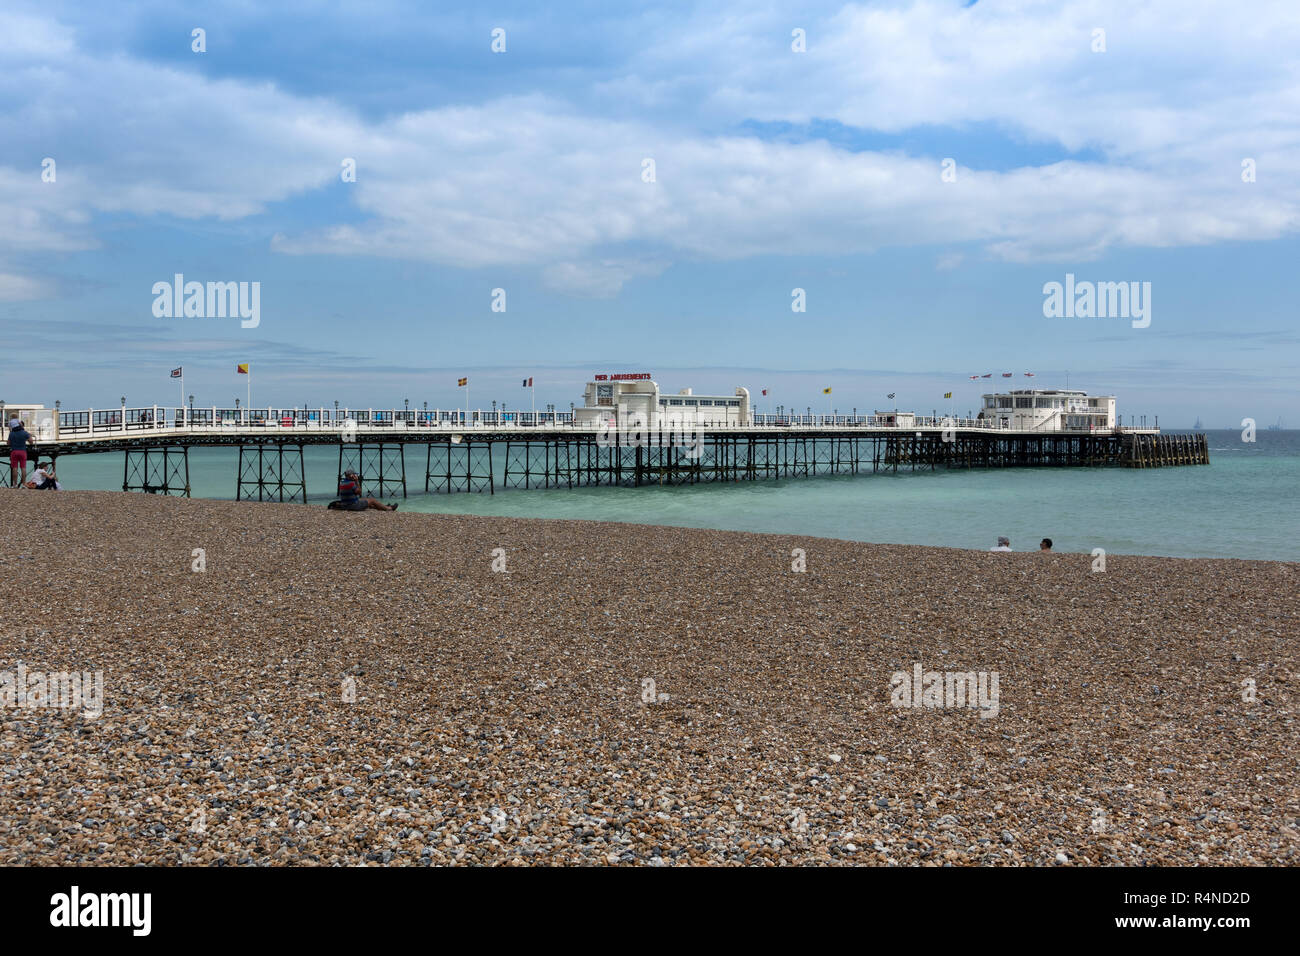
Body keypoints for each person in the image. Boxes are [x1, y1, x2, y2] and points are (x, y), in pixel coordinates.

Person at [8, 420, 32, 488]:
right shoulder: (24, 432)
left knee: (15, 468)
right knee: (23, 468)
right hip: (22, 452)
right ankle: (24, 484)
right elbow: (31, 442)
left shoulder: (11, 433)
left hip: (14, 451)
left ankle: (14, 484)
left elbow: (8, 443)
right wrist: (29, 437)